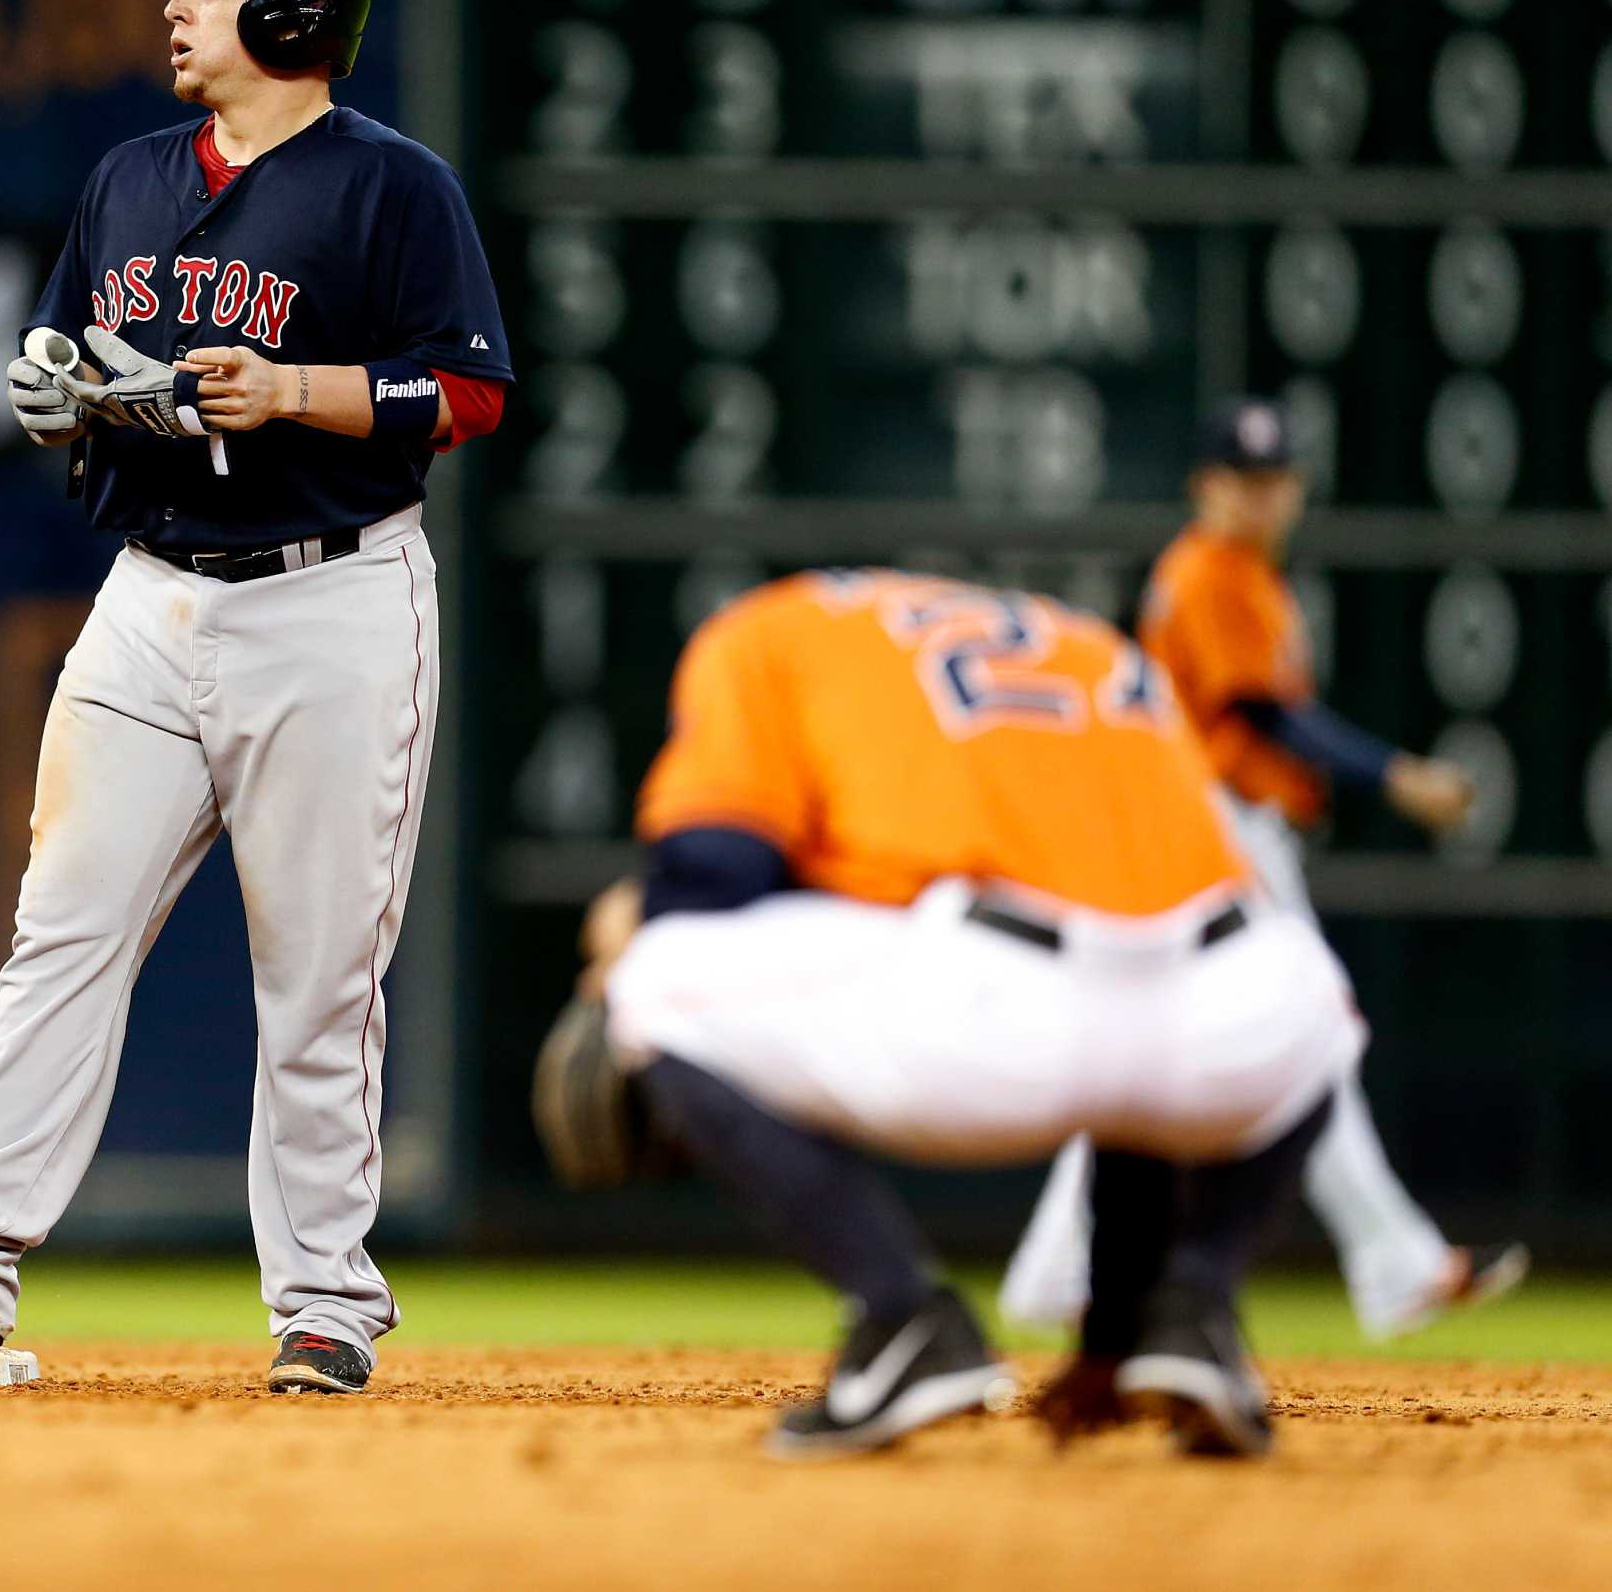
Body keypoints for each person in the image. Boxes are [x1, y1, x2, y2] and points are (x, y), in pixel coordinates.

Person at [0, 0, 511, 1395]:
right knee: (62, 927)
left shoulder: (394, 187)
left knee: (317, 975)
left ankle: (325, 1297)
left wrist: (295, 390)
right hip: (152, 592)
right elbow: (64, 348)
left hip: (334, 599)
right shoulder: (126, 178)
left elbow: (467, 394)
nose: (176, 5)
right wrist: (52, 387)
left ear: (294, 15)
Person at [549, 568, 1364, 1459]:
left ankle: (901, 1314)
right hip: (1241, 1022)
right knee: (1305, 990)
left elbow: (717, 869)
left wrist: (633, 923)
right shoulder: (1085, 637)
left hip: (996, 1020)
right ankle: (1186, 1308)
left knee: (659, 977)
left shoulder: (765, 631)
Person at [999, 399, 1526, 1341]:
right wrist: (1397, 776)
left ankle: (1056, 1273)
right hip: (1219, 830)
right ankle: (1396, 1260)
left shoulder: (1240, 576)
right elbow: (1265, 716)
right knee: (1310, 1026)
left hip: (1211, 826)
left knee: (1158, 1039)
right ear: (1206, 485)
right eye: (1242, 478)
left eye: (1273, 477)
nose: (1261, 495)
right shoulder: (1206, 575)